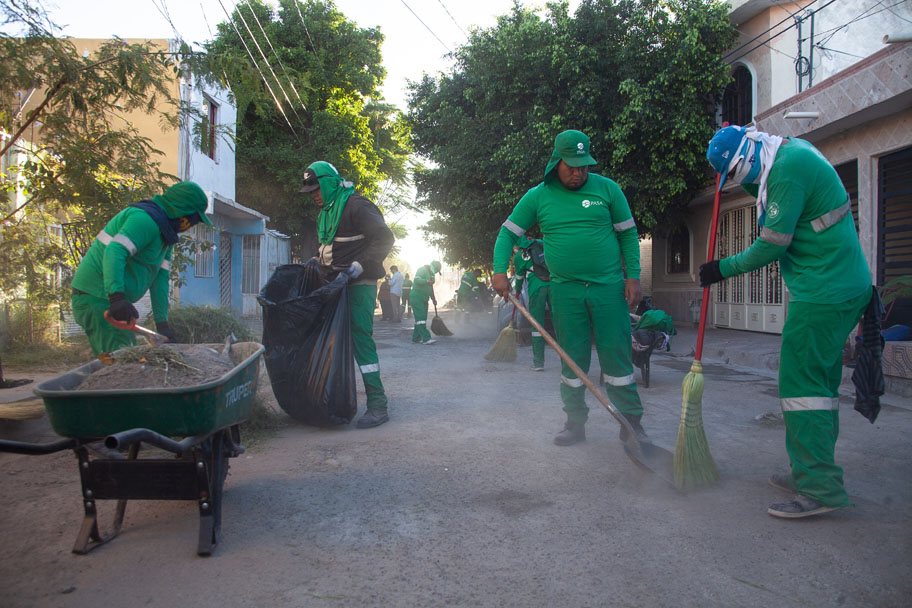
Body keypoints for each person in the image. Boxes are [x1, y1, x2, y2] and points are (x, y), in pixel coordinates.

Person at [702, 125, 874, 518]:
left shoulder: (786, 170)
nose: (732, 184)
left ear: (744, 160)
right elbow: (766, 194)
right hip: (840, 285)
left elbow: (771, 243)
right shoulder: (787, 153)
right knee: (819, 388)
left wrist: (720, 269)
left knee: (802, 388)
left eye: (731, 175)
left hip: (824, 292)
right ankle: (811, 472)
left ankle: (819, 488)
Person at [492, 130, 646, 447]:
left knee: (617, 356)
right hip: (565, 290)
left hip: (608, 287)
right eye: (571, 166)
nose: (578, 172)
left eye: (583, 166)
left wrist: (633, 276)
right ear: (556, 162)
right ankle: (575, 423)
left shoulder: (608, 189)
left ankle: (630, 424)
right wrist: (498, 271)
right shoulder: (538, 196)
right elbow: (507, 234)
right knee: (571, 358)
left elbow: (629, 236)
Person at [301, 161, 395, 429]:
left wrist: (360, 265)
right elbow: (329, 249)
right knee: (329, 340)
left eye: (317, 189)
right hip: (335, 284)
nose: (314, 195)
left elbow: (385, 238)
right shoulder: (326, 213)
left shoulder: (357, 206)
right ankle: (327, 401)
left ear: (330, 183)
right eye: (310, 192)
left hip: (359, 282)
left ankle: (378, 405)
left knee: (360, 338)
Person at [70, 181, 212, 356]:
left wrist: (162, 324)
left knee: (125, 358)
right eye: (194, 220)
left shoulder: (165, 236)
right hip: (97, 297)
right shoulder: (144, 220)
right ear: (183, 213)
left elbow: (160, 279)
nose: (192, 226)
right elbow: (115, 251)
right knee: (122, 363)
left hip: (107, 299)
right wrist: (116, 297)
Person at [512, 236, 551, 371]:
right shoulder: (540, 244)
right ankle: (569, 363)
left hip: (536, 288)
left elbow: (519, 279)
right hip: (554, 286)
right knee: (561, 323)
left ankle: (538, 363)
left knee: (537, 325)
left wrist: (516, 292)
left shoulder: (519, 256)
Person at [410, 260, 441, 345]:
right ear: (434, 267)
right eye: (437, 270)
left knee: (422, 319)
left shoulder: (432, 275)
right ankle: (426, 338)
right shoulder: (422, 270)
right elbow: (416, 280)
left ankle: (416, 338)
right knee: (420, 318)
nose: (436, 272)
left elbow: (430, 289)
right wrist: (426, 281)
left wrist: (433, 299)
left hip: (424, 299)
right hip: (416, 297)